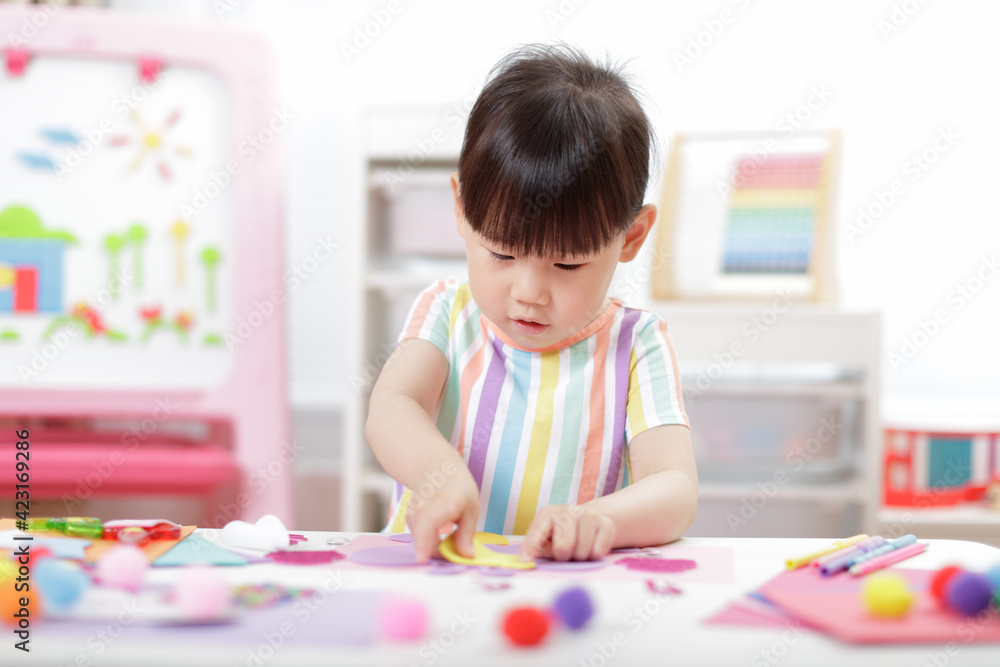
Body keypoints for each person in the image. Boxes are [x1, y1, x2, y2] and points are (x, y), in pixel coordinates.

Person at [366, 44, 697, 564]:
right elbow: (392, 408)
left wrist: (600, 519)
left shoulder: (638, 345)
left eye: (567, 265)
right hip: (438, 576)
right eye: (501, 252)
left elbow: (675, 486)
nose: (528, 291)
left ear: (631, 238)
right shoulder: (446, 313)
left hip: (564, 593)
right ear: (461, 210)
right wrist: (440, 473)